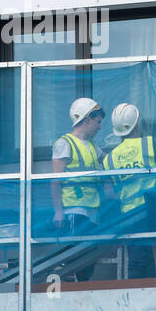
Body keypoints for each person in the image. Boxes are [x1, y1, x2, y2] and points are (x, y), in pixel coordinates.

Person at [102, 103, 156, 277]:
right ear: (137, 124)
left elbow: (108, 193)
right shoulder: (151, 144)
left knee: (138, 259)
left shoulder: (109, 159)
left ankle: (135, 292)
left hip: (131, 215)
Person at [51, 97, 105, 231]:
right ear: (87, 120)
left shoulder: (92, 144)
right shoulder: (64, 143)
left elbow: (109, 160)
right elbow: (55, 180)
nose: (99, 127)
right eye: (98, 122)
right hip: (74, 210)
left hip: (93, 210)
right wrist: (58, 211)